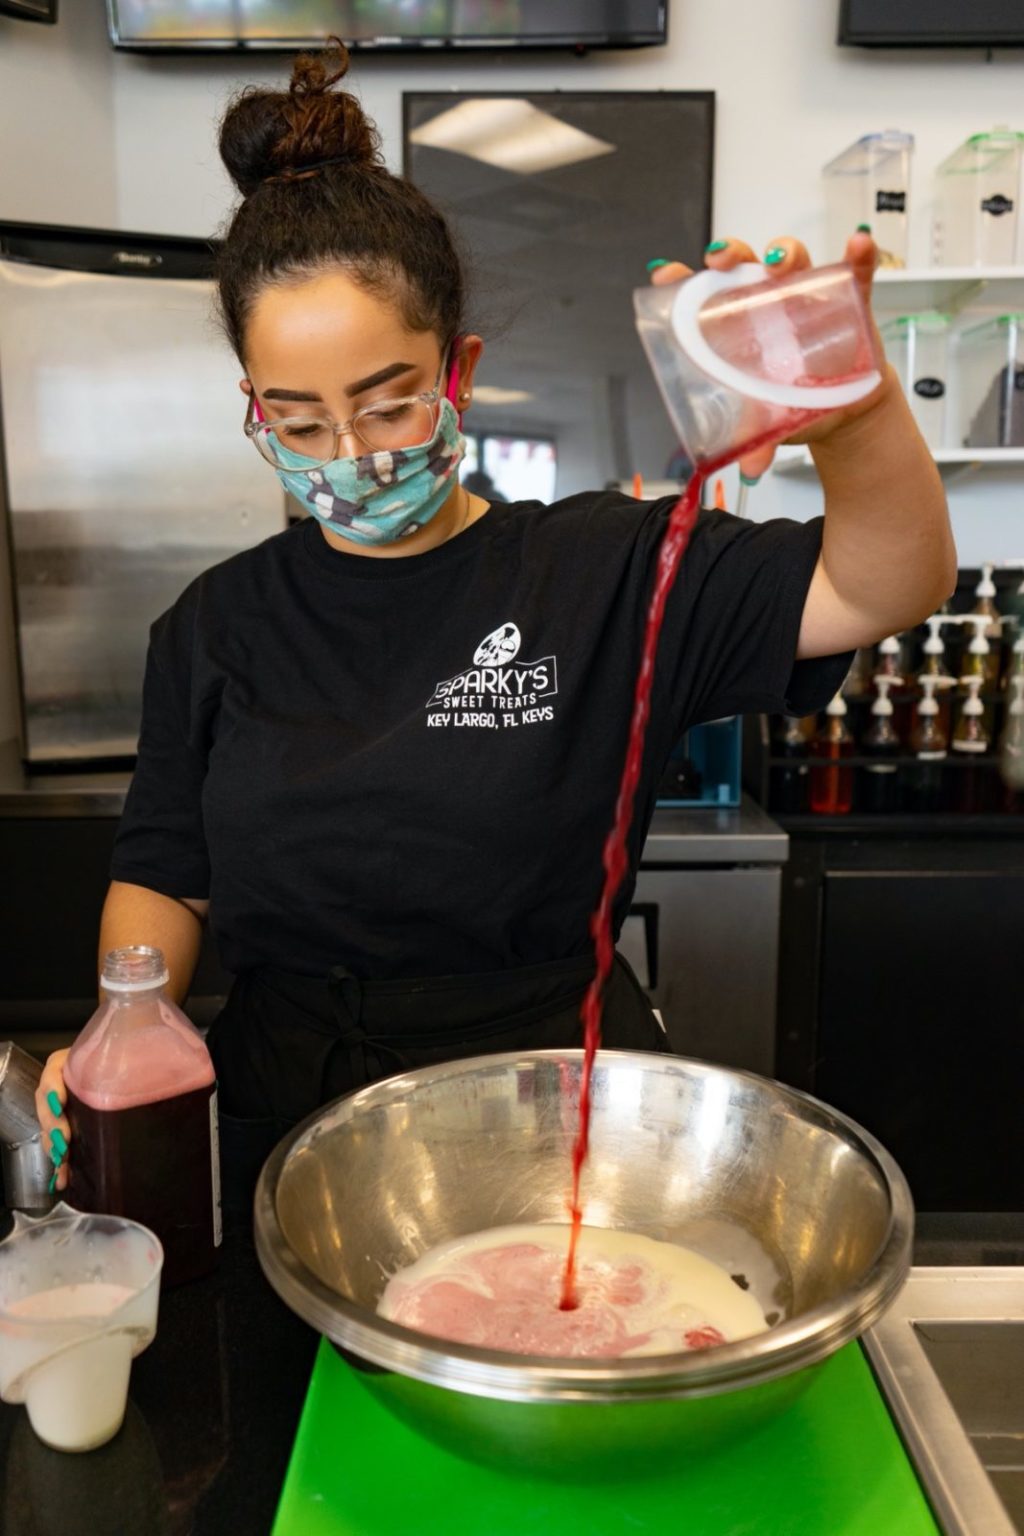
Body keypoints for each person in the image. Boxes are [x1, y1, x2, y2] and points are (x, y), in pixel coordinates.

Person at [37, 45, 954, 1206]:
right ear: (253, 411)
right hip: (283, 1097)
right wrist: (130, 1015)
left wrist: (848, 404)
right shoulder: (214, 624)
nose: (354, 455)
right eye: (300, 421)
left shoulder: (606, 566)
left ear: (456, 370)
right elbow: (166, 872)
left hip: (554, 1099)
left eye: (387, 401)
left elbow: (884, 585)